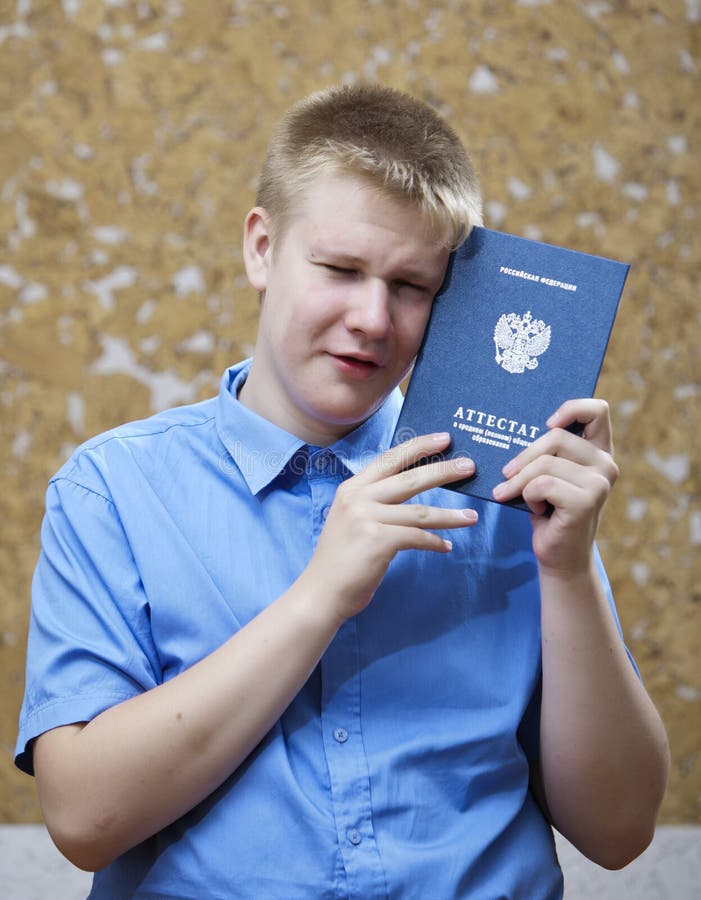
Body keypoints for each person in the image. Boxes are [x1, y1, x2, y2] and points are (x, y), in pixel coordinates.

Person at [16, 84, 668, 899]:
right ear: (262, 249)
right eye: (339, 269)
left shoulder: (512, 487)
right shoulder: (112, 490)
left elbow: (618, 834)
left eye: (412, 285)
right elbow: (83, 821)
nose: (372, 318)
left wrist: (567, 571)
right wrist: (321, 595)